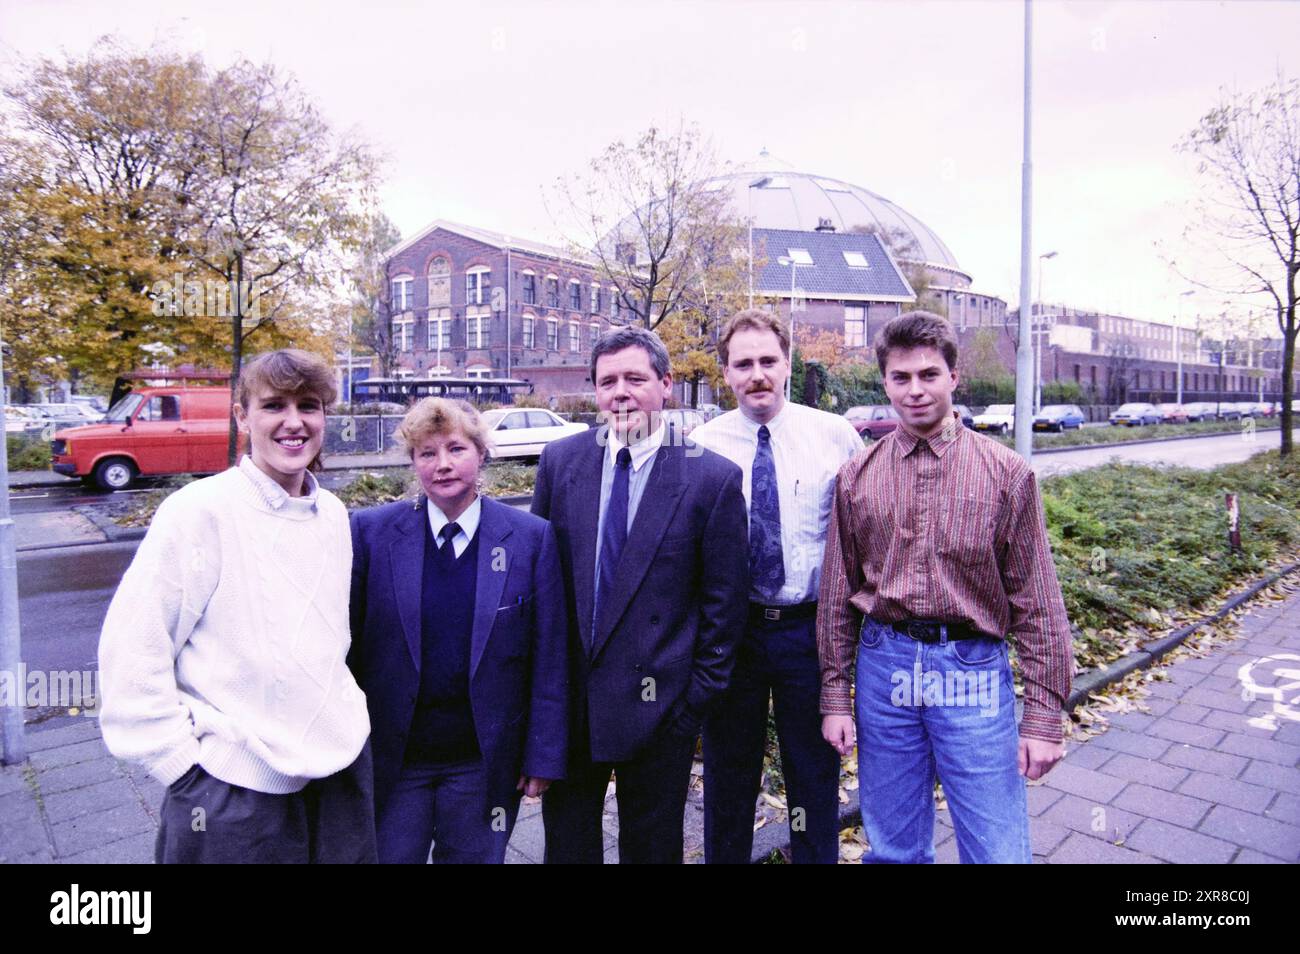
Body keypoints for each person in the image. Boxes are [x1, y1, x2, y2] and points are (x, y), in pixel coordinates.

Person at [98, 349, 375, 863]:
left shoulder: (333, 515)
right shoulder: (199, 512)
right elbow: (133, 648)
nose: (294, 422)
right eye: (274, 406)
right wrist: (182, 768)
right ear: (242, 415)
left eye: (309, 406)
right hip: (233, 792)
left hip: (338, 777)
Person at [818, 311, 1073, 864]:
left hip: (973, 672)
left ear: (954, 377)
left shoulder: (1006, 474)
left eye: (929, 374)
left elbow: (1037, 600)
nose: (915, 390)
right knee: (893, 848)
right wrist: (835, 695)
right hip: (885, 669)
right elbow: (838, 597)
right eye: (901, 377)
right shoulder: (856, 477)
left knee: (996, 847)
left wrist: (1045, 716)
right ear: (884, 382)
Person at [531, 325, 749, 864]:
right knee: (568, 846)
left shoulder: (711, 479)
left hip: (659, 708)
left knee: (652, 850)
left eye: (635, 378)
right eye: (608, 382)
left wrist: (690, 705)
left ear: (666, 385)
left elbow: (724, 605)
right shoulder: (561, 463)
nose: (620, 393)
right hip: (572, 705)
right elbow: (539, 582)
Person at [349, 398, 568, 864]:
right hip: (396, 758)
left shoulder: (529, 538)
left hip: (482, 763)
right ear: (413, 462)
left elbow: (550, 655)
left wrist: (541, 756)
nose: (443, 464)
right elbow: (348, 648)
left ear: (481, 453)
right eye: (427, 453)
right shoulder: (371, 534)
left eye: (455, 449)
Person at [690, 309, 863, 864]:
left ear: (787, 364)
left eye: (768, 360)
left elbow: (865, 528)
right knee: (727, 775)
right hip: (732, 636)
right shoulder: (700, 445)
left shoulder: (834, 436)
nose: (757, 374)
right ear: (726, 373)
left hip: (806, 632)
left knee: (812, 777)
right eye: (744, 364)